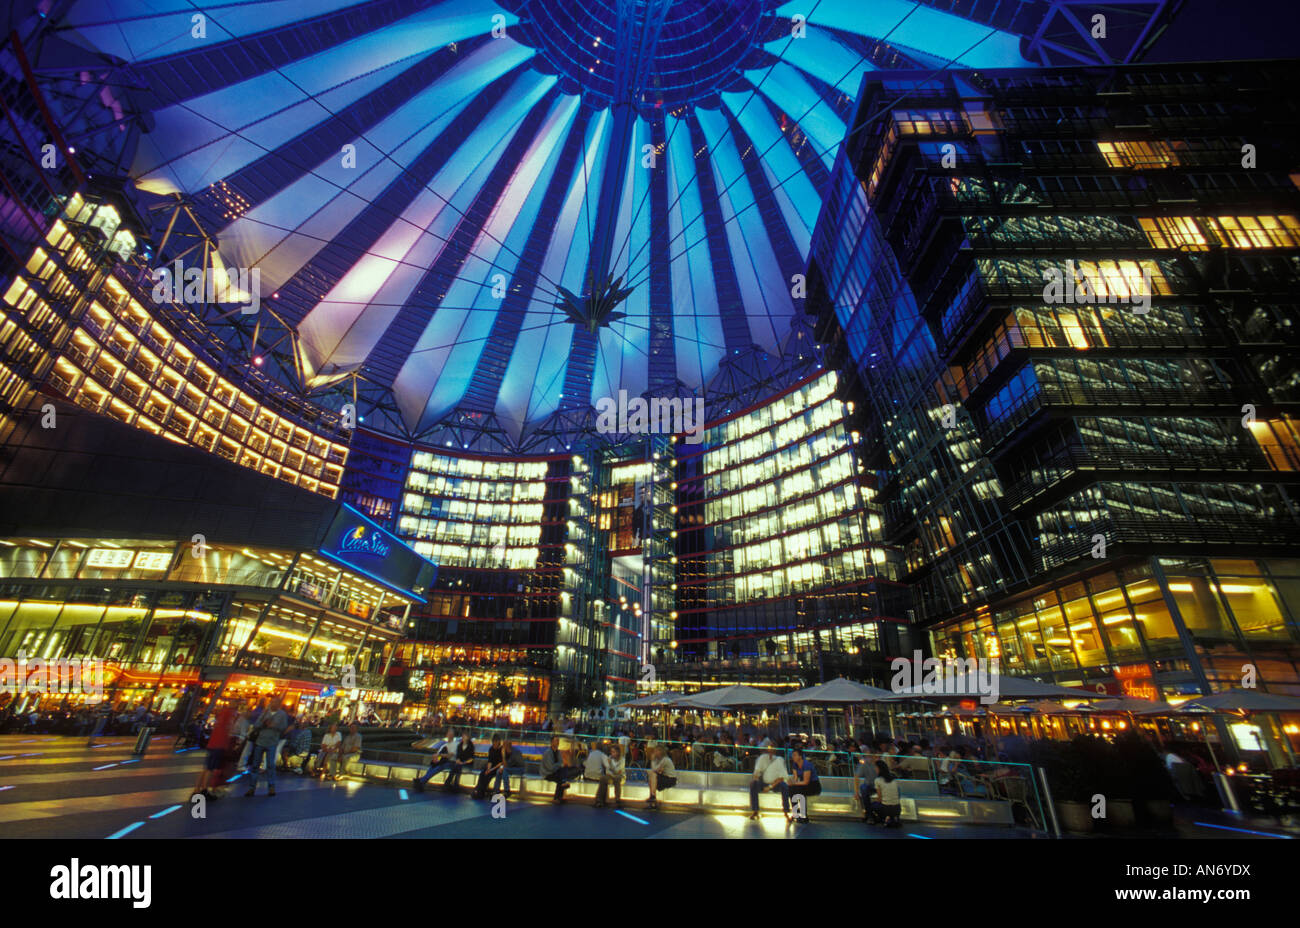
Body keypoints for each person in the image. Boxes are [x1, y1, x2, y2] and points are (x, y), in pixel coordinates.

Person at [244, 697, 289, 797]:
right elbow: (256, 724)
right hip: (260, 740)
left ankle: (271, 786)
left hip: (272, 741)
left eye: (275, 703)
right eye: (272, 702)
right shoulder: (265, 712)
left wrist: (274, 726)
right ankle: (252, 787)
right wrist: (264, 723)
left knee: (270, 765)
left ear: (279, 704)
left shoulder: (282, 714)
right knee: (255, 765)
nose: (273, 704)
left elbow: (284, 727)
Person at [194, 705, 235, 799]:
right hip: (218, 745)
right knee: (210, 769)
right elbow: (228, 730)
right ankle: (204, 790)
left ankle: (196, 790)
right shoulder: (227, 718)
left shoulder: (219, 720)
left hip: (212, 744)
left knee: (206, 768)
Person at [749, 743, 789, 820]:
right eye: (769, 748)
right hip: (764, 782)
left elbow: (781, 778)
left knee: (784, 786)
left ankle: (786, 812)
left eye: (773, 748)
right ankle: (755, 811)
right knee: (753, 783)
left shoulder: (779, 760)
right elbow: (756, 772)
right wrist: (756, 779)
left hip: (775, 784)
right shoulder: (762, 758)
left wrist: (770, 787)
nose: (771, 750)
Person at [786, 747, 821, 823]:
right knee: (791, 789)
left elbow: (806, 782)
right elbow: (795, 778)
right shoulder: (795, 765)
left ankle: (803, 816)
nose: (793, 757)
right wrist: (791, 782)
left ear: (800, 756)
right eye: (793, 755)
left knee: (800, 790)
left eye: (795, 755)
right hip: (803, 784)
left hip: (813, 785)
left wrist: (794, 783)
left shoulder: (807, 765)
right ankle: (796, 813)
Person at [540, 736, 580, 802]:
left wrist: (559, 765)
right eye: (556, 741)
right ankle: (557, 797)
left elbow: (561, 763)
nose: (558, 742)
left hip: (556, 771)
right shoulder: (548, 753)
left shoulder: (558, 752)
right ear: (552, 742)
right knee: (561, 778)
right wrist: (559, 765)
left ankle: (559, 796)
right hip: (548, 773)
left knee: (569, 771)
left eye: (558, 741)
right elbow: (550, 767)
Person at [869, 760, 902, 826]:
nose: (875, 769)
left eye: (875, 768)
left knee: (873, 805)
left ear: (879, 769)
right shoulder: (893, 778)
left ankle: (883, 818)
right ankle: (893, 818)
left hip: (886, 809)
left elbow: (879, 799)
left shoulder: (878, 780)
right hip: (898, 808)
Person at [595, 743, 626, 809]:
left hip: (620, 777)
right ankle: (599, 800)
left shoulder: (622, 760)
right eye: (611, 752)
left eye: (614, 752)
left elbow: (618, 771)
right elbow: (607, 770)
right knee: (603, 778)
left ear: (617, 752)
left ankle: (617, 800)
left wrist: (611, 765)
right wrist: (611, 773)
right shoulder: (609, 758)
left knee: (617, 779)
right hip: (611, 776)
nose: (612, 753)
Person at [474, 734, 505, 800]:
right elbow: (490, 761)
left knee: (488, 776)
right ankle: (479, 789)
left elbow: (501, 762)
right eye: (493, 743)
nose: (494, 744)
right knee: (482, 774)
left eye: (495, 743)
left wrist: (491, 770)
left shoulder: (502, 749)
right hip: (492, 767)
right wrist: (488, 769)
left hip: (497, 767)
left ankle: (482, 791)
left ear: (498, 742)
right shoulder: (491, 749)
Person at [646, 746, 677, 810]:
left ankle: (652, 797)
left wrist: (652, 760)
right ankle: (652, 798)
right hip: (665, 777)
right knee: (651, 778)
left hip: (670, 779)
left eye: (656, 751)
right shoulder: (658, 759)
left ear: (661, 752)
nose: (654, 753)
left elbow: (655, 769)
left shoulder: (665, 759)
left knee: (653, 775)